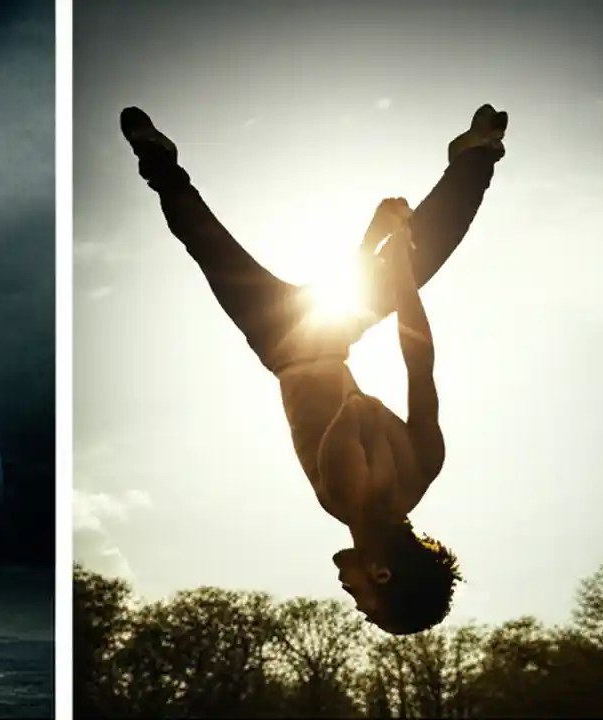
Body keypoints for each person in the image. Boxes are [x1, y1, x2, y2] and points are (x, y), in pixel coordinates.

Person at [120, 103, 507, 635]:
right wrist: (393, 264)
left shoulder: (416, 472)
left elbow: (389, 386)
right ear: (383, 573)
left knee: (207, 242)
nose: (350, 594)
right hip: (301, 336)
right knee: (414, 257)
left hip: (310, 331)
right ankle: (475, 156)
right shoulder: (354, 492)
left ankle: (158, 161)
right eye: (364, 601)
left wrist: (380, 253)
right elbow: (394, 382)